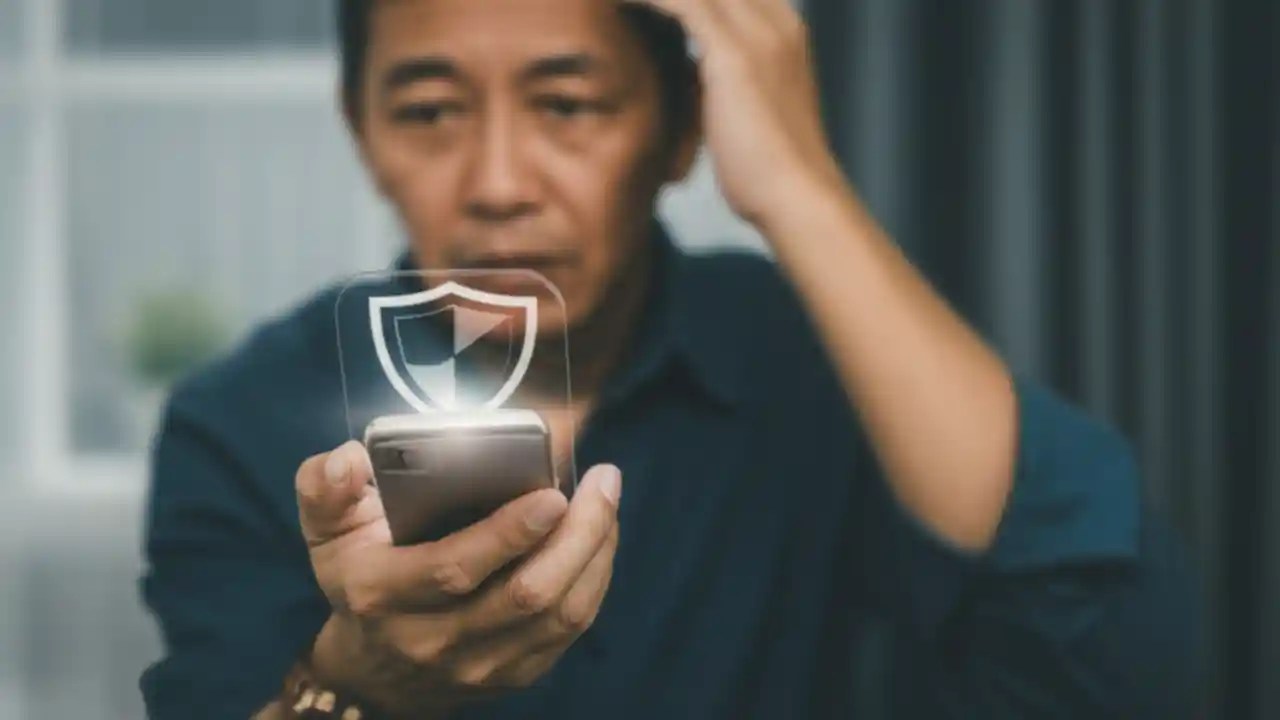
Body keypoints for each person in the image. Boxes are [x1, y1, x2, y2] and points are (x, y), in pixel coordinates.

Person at [139, 0, 1199, 718]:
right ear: (363, 133)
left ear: (677, 130)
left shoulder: (804, 356)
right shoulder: (240, 421)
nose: (498, 180)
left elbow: (1116, 660)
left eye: (567, 105)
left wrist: (798, 187)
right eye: (427, 112)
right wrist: (353, 684)